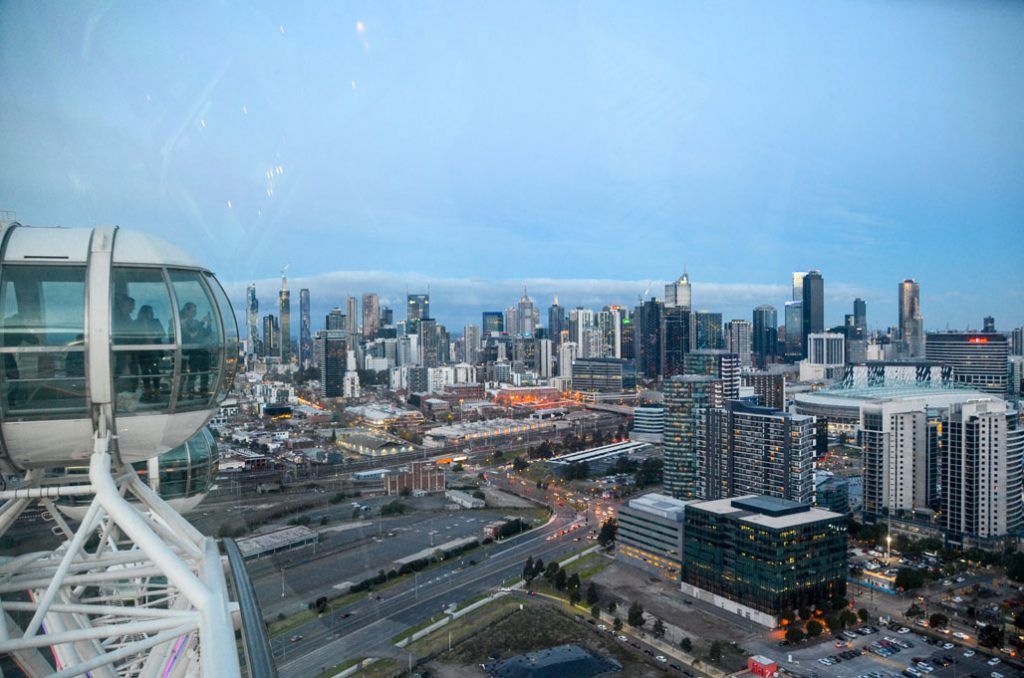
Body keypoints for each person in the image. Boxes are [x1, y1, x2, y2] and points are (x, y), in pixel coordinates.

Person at [180, 302, 213, 397]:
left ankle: (203, 390)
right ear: (187, 311)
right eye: (193, 311)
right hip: (193, 352)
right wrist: (202, 322)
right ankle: (190, 391)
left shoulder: (196, 323)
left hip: (203, 352)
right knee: (193, 374)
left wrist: (209, 324)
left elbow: (205, 333)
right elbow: (192, 334)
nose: (195, 313)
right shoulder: (183, 323)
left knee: (204, 374)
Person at [134, 305, 165, 402]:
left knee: (155, 371)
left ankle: (156, 392)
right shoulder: (137, 323)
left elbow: (162, 333)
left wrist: (153, 333)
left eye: (152, 312)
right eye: (149, 312)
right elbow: (135, 337)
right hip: (142, 353)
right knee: (145, 372)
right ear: (143, 313)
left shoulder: (156, 322)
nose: (151, 314)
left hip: (154, 351)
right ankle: (147, 392)